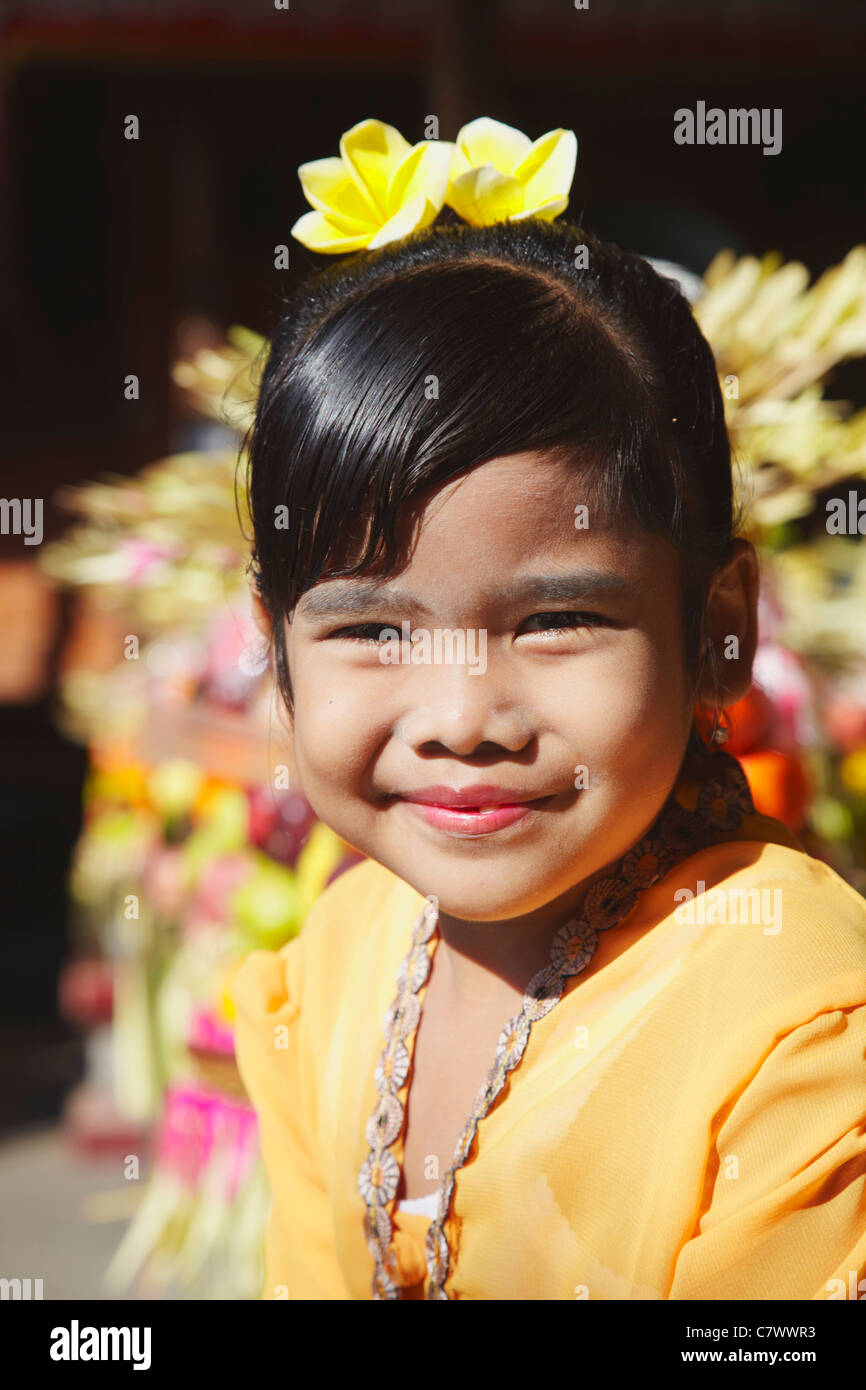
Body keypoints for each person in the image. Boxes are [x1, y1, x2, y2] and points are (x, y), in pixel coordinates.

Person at [229, 209, 866, 1301]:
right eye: (372, 631)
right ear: (274, 650)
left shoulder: (802, 1031)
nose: (462, 716)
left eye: (554, 618)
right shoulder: (338, 955)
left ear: (718, 630)